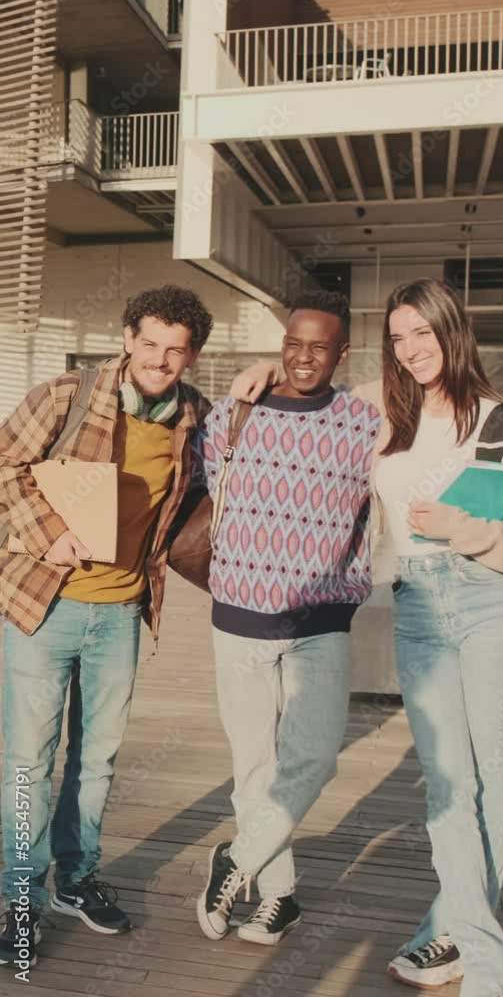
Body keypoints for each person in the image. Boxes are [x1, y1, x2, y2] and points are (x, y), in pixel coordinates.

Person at [232, 278, 503, 997]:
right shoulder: (385, 416)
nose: (411, 349)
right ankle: (455, 935)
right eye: (398, 336)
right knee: (448, 784)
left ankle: (479, 964)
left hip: (488, 603)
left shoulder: (501, 421)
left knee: (486, 778)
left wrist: (461, 529)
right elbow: (308, 389)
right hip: (418, 605)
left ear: (453, 331)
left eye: (423, 332)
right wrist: (257, 374)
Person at [0, 285, 212, 967]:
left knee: (97, 760)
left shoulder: (193, 417)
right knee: (29, 761)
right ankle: (19, 899)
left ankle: (76, 878)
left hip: (121, 611)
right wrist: (47, 534)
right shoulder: (63, 395)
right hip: (44, 603)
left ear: (190, 356)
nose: (159, 359)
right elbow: (5, 468)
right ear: (127, 338)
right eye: (149, 343)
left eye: (175, 350)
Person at [193, 290, 380, 946]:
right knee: (253, 766)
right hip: (238, 616)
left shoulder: (364, 423)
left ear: (341, 354)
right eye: (292, 345)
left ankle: (235, 861)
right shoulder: (234, 413)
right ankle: (279, 896)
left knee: (313, 758)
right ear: (281, 348)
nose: (303, 357)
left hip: (319, 622)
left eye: (318, 347)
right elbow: (206, 484)